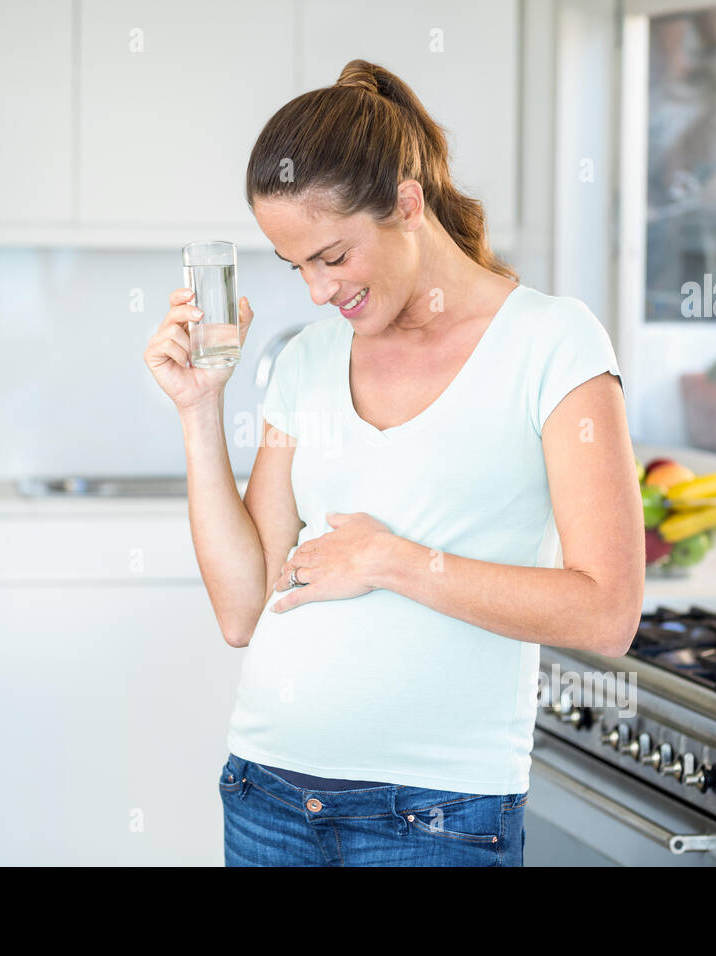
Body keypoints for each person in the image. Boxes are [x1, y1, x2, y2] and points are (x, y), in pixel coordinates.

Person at [144, 59, 644, 867]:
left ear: (407, 204)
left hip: (438, 816)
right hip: (267, 795)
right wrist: (200, 411)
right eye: (295, 265)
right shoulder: (308, 358)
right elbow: (242, 610)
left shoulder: (552, 344)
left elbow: (606, 611)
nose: (315, 291)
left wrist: (393, 562)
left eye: (333, 256)